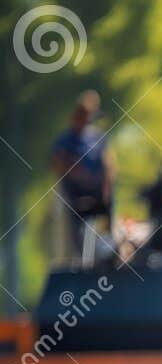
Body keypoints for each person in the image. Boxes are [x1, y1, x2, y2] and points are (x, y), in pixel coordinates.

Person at [50, 91, 115, 266]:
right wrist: (76, 172)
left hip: (97, 190)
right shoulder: (65, 140)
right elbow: (57, 163)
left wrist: (106, 187)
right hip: (75, 192)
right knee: (76, 226)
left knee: (108, 211)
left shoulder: (98, 137)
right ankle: (80, 263)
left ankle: (108, 254)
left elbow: (109, 163)